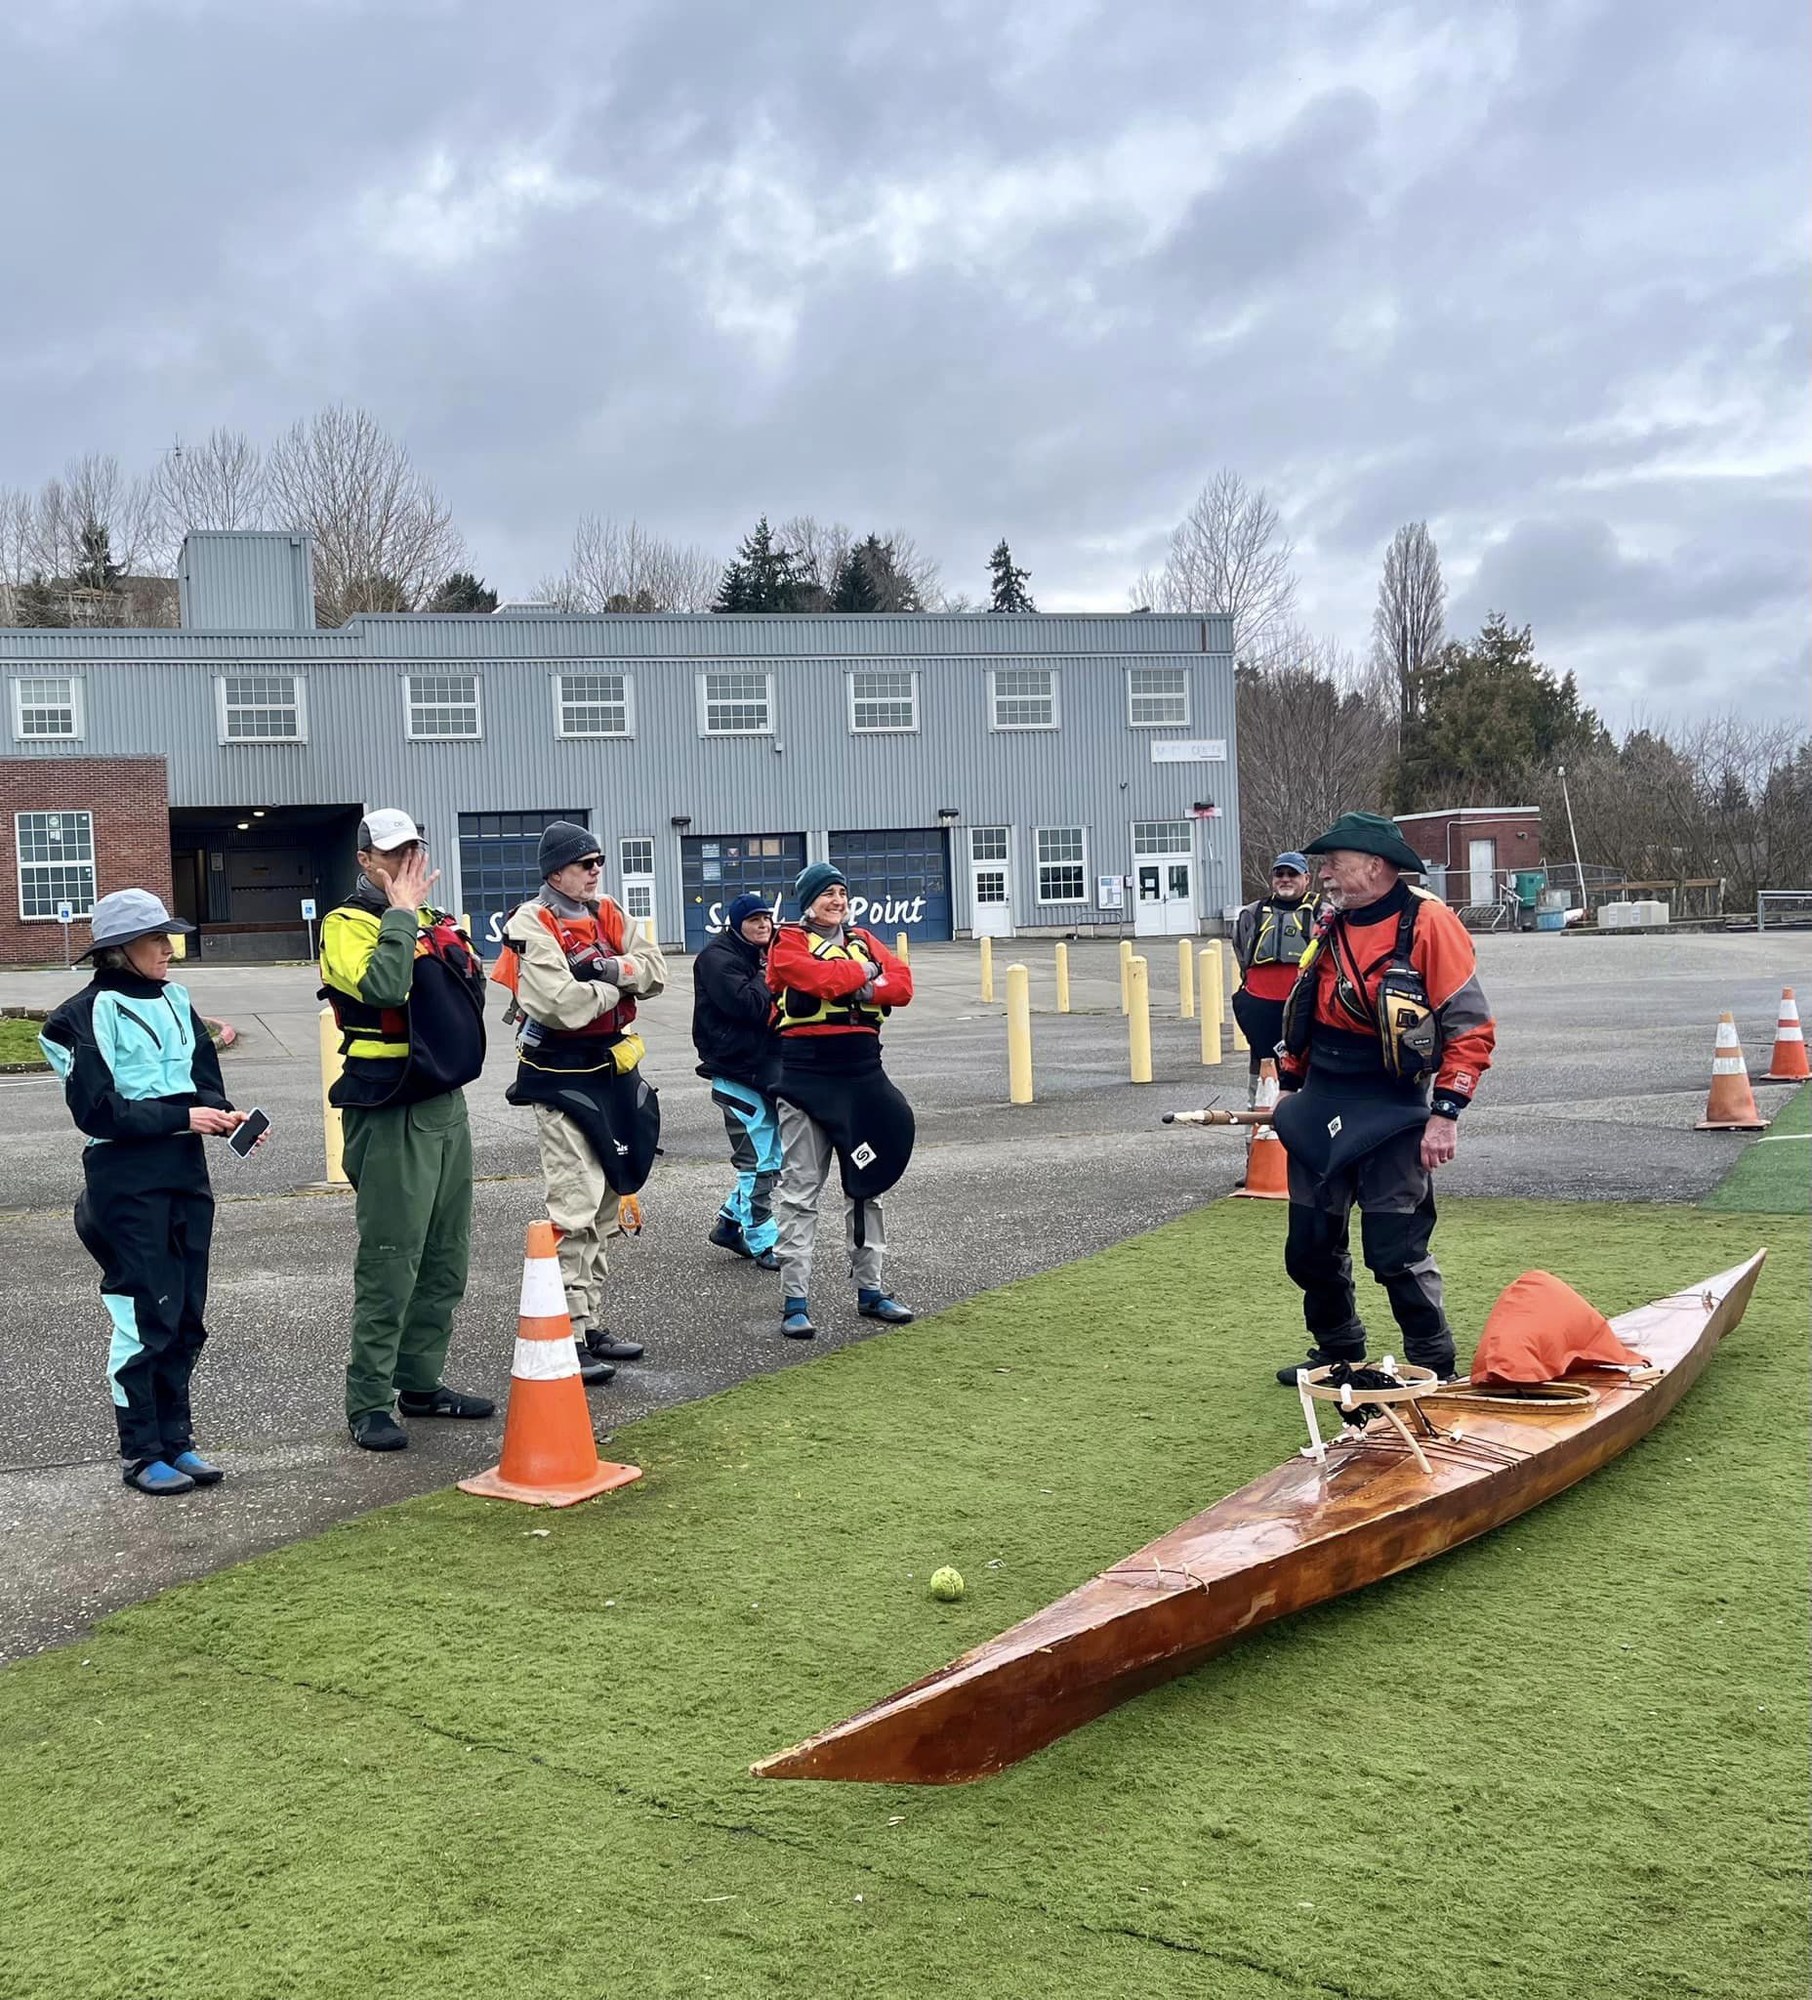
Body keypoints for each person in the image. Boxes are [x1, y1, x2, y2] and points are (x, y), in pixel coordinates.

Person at [39, 890, 256, 1495]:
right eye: (156, 939)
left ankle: (177, 1442)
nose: (169, 948)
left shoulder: (178, 997)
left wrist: (222, 1114)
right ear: (118, 950)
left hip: (185, 1172)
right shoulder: (75, 1018)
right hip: (125, 1182)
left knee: (186, 1316)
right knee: (143, 1318)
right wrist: (184, 1118)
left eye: (169, 936)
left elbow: (204, 1082)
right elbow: (97, 1110)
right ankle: (140, 1454)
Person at [1270, 811, 1496, 1387]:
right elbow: (1307, 1013)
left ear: (1374, 866)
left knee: (1395, 1249)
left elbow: (1470, 1031)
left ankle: (1433, 1363)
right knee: (1310, 1247)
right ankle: (1337, 1349)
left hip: (1394, 1108)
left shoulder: (1430, 924)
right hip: (1321, 1098)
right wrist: (1288, 1090)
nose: (1323, 874)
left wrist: (1445, 1115)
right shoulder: (1329, 924)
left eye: (1333, 863)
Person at [319, 811, 494, 1451]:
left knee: (447, 1256)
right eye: (392, 852)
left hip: (444, 1100)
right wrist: (401, 913)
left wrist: (424, 920)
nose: (404, 862)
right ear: (365, 859)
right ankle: (369, 1399)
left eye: (413, 850)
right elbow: (385, 985)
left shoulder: (433, 920)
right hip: (389, 1106)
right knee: (392, 1260)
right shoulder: (345, 924)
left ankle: (420, 1382)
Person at [492, 822, 666, 1383]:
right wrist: (622, 983)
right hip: (560, 1077)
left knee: (612, 1198)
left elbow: (658, 972)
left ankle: (589, 1323)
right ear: (554, 872)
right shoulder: (530, 922)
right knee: (576, 1202)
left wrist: (609, 970)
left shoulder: (608, 910)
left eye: (598, 861)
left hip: (611, 1070)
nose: (596, 870)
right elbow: (561, 1005)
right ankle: (564, 1327)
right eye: (584, 863)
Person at [766, 860, 917, 1340]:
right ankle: (795, 1302)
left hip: (862, 1078)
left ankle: (871, 1291)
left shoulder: (864, 938)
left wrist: (862, 976)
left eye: (841, 892)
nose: (836, 900)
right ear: (807, 901)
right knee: (800, 1192)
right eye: (826, 893)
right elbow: (816, 981)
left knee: (866, 1187)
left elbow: (904, 986)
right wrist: (868, 977)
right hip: (806, 1081)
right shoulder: (786, 941)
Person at [692, 891, 783, 1271]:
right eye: (754, 920)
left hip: (761, 1070)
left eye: (766, 919)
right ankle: (764, 1241)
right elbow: (750, 1005)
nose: (763, 925)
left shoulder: (759, 954)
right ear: (737, 924)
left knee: (769, 1156)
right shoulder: (718, 958)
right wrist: (772, 973)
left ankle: (730, 1223)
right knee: (759, 1160)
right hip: (733, 1071)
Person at [1231, 852, 1318, 1102]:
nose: (1285, 879)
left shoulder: (1323, 913)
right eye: (1280, 874)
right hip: (1261, 1008)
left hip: (1304, 1009)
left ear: (1306, 878)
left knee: (1309, 1070)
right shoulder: (1252, 914)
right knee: (1262, 1068)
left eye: (1293, 874)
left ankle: (1305, 1129)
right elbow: (1242, 953)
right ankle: (1258, 1130)